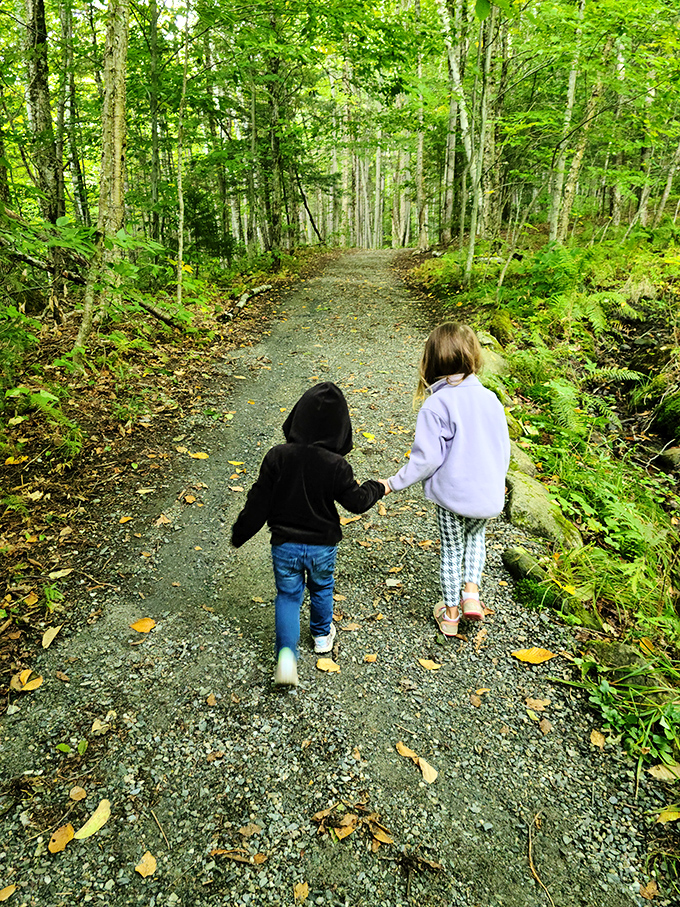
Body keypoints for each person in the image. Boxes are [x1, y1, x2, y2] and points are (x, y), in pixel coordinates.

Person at [231, 382, 385, 686]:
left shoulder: (277, 457)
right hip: (321, 547)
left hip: (285, 545)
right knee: (322, 587)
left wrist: (241, 532)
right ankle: (321, 637)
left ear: (297, 418)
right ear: (341, 429)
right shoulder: (336, 465)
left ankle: (286, 657)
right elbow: (356, 502)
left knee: (288, 596)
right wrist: (377, 487)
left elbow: (259, 501)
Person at [380, 322, 510, 637]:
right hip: (486, 493)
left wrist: (392, 483)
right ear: (473, 357)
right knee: (476, 539)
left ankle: (450, 615)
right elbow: (502, 447)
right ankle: (471, 595)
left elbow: (426, 459)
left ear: (432, 361)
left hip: (452, 496)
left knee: (452, 550)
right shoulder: (491, 399)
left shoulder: (437, 404)